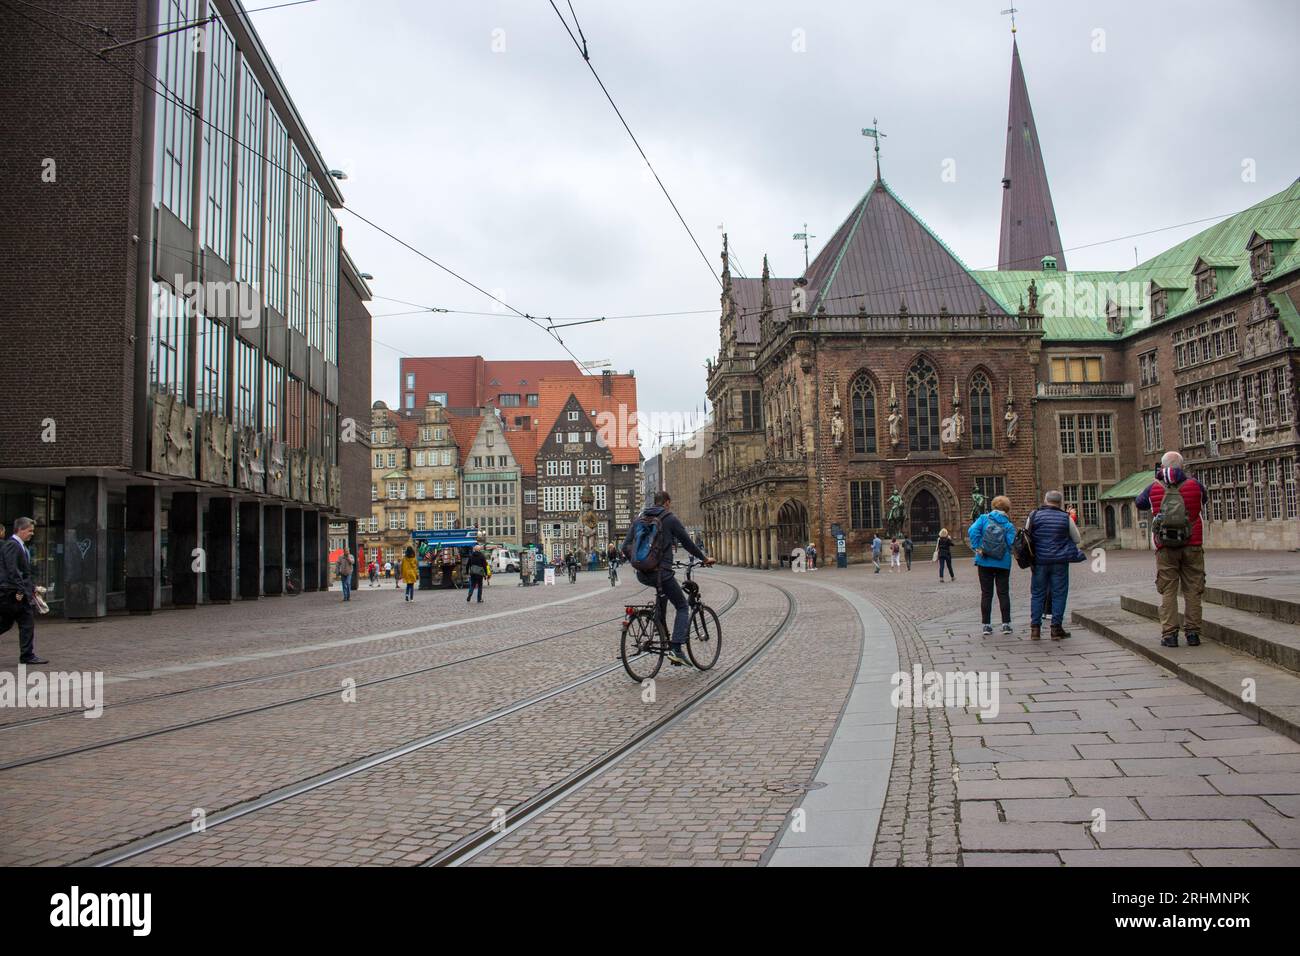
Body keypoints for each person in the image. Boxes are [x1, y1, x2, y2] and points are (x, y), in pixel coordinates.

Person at [621, 490, 714, 668]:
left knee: (662, 594)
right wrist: (704, 559)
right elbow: (687, 542)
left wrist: (641, 561)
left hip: (642, 573)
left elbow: (625, 546)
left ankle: (660, 627)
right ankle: (676, 649)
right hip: (661, 572)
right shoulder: (669, 518)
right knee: (681, 606)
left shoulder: (640, 518)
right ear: (667, 503)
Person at [1135, 450, 1207, 648]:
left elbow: (1139, 503)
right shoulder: (1196, 485)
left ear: (1163, 467)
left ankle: (1170, 635)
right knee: (1193, 590)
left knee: (1168, 590)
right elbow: (1204, 501)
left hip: (1165, 545)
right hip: (1192, 543)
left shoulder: (1153, 487)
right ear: (1182, 466)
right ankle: (1193, 634)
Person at [1026, 490, 1086, 640]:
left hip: (1039, 561)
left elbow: (1027, 536)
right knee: (1059, 594)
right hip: (1059, 561)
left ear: (1046, 500)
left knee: (1038, 594)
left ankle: (1035, 629)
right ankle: (1056, 628)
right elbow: (1077, 539)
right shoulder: (1065, 518)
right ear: (1060, 502)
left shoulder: (1034, 515)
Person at [0, 517, 46, 664]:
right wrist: (20, 590)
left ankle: (27, 655)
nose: (32, 534)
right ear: (20, 529)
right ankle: (27, 655)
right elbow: (12, 569)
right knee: (10, 622)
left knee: (25, 622)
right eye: (30, 530)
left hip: (17, 591)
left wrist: (31, 588)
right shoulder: (12, 545)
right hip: (12, 592)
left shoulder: (20, 545)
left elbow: (22, 571)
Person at [968, 496, 1016, 635]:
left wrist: (978, 547)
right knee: (1003, 593)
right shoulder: (1008, 525)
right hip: (1003, 562)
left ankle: (987, 626)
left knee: (986, 594)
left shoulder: (983, 518)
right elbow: (1011, 543)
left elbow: (972, 531)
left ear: (994, 506)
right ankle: (1006, 624)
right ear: (1007, 509)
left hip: (984, 560)